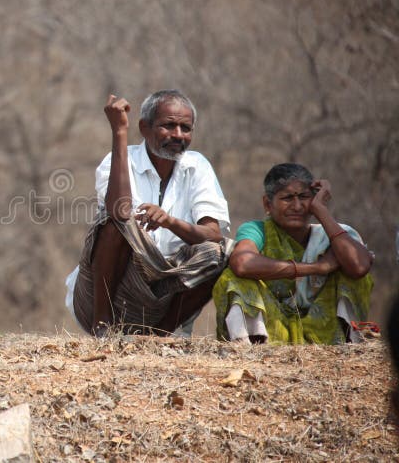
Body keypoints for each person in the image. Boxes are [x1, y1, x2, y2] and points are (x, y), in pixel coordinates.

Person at [64, 90, 231, 337]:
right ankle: (103, 328)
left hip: (163, 299)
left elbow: (213, 235)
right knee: (114, 224)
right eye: (168, 126)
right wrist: (119, 132)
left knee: (220, 252)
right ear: (144, 128)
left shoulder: (197, 166)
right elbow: (119, 212)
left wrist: (170, 222)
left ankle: (158, 337)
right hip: (108, 295)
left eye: (186, 128)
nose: (178, 135)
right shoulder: (120, 159)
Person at [213, 163, 374, 344]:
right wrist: (316, 267)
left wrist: (321, 210)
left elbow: (359, 267)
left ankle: (348, 346)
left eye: (304, 197)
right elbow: (242, 263)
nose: (297, 206)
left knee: (351, 273)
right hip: (275, 329)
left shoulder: (331, 235)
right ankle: (250, 348)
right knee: (232, 278)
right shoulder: (257, 230)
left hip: (324, 334)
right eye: (287, 198)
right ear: (268, 203)